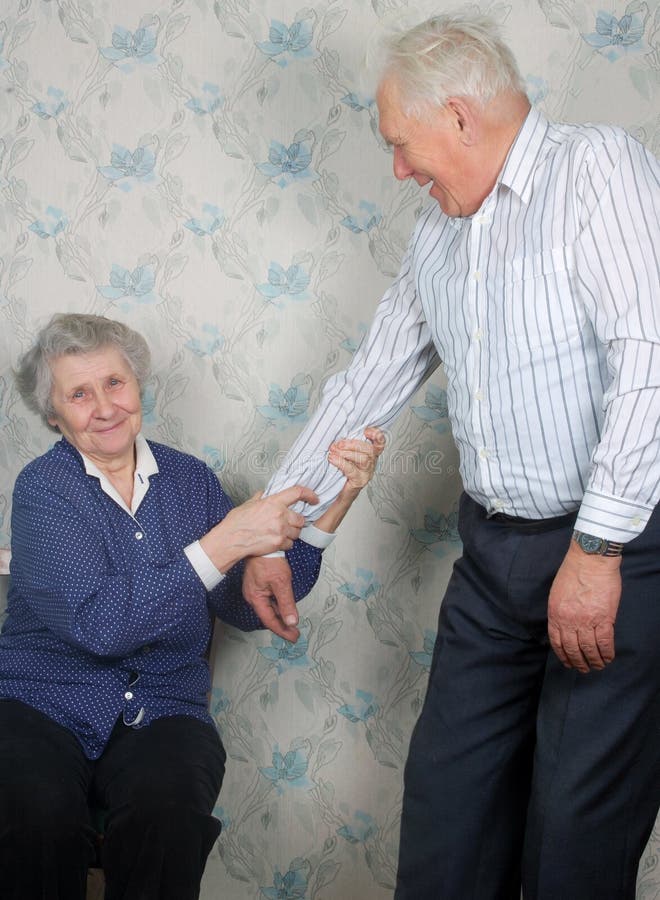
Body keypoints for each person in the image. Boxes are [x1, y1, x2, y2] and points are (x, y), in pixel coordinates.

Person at [241, 11, 660, 900]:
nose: (398, 169)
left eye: (402, 144)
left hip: (613, 552)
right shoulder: (441, 233)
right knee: (447, 821)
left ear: (461, 118)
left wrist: (597, 550)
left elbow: (651, 356)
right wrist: (278, 531)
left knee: (573, 845)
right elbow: (367, 384)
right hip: (493, 558)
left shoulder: (598, 167)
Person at [0, 312, 384, 900]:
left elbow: (248, 604)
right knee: (38, 818)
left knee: (170, 812)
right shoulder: (43, 491)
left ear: (138, 386)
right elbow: (99, 626)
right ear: (53, 414)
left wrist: (338, 501)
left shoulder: (190, 481)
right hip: (41, 703)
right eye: (78, 393)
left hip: (161, 707)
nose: (104, 407)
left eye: (114, 383)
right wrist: (225, 540)